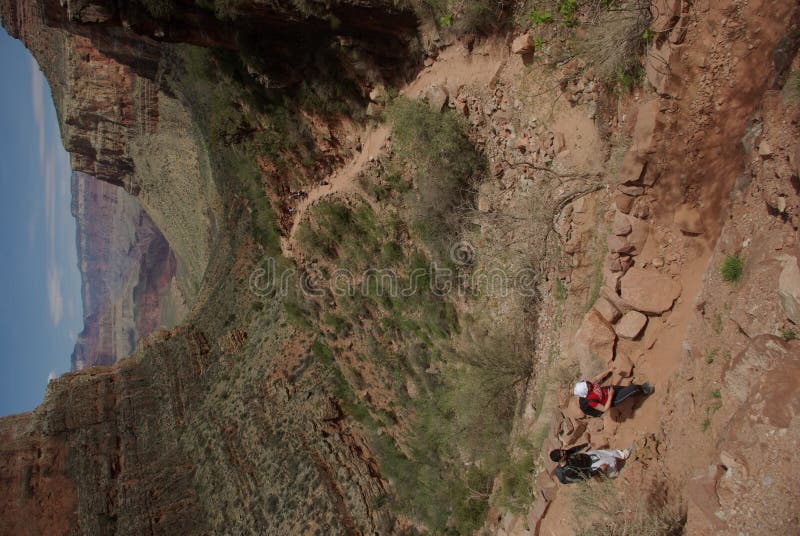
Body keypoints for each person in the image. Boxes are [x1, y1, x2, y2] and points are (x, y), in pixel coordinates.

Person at [573, 368, 653, 417]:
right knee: (632, 389)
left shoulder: (589, 384)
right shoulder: (591, 401)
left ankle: (640, 389)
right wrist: (610, 396)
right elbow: (604, 409)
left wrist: (609, 370)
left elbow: (597, 377)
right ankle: (645, 390)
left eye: (585, 383)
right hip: (613, 400)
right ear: (586, 391)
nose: (587, 383)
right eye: (586, 385)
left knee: (626, 389)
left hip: (609, 390)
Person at [550, 444, 631, 483]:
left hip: (587, 456)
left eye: (562, 451)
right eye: (562, 453)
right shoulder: (569, 470)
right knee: (610, 460)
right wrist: (599, 469)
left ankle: (622, 454)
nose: (564, 452)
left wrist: (585, 445)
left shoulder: (565, 454)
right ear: (560, 459)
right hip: (590, 466)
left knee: (604, 452)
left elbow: (573, 450)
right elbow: (585, 476)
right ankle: (613, 474)